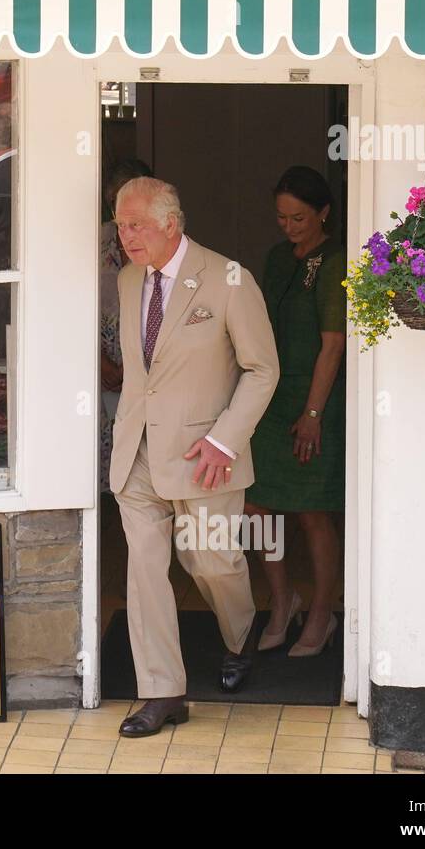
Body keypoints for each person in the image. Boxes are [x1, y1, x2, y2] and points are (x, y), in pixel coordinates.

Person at [109, 177, 279, 737]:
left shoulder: (230, 279)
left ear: (171, 223)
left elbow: (262, 370)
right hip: (137, 453)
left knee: (211, 563)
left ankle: (240, 633)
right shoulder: (129, 279)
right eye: (120, 223)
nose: (125, 234)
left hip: (205, 454)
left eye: (136, 224)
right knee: (145, 572)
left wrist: (225, 439)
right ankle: (163, 693)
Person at [246, 166, 347, 657]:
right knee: (255, 503)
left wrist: (312, 415)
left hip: (316, 399)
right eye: (282, 217)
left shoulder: (338, 262)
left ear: (324, 213)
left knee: (312, 512)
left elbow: (334, 345)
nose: (289, 227)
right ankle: (284, 600)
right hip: (271, 396)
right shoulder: (276, 259)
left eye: (299, 218)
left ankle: (324, 613)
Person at [99, 158, 152, 495]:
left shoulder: (164, 242)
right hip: (99, 362)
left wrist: (134, 367)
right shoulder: (95, 242)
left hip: (147, 364)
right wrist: (103, 364)